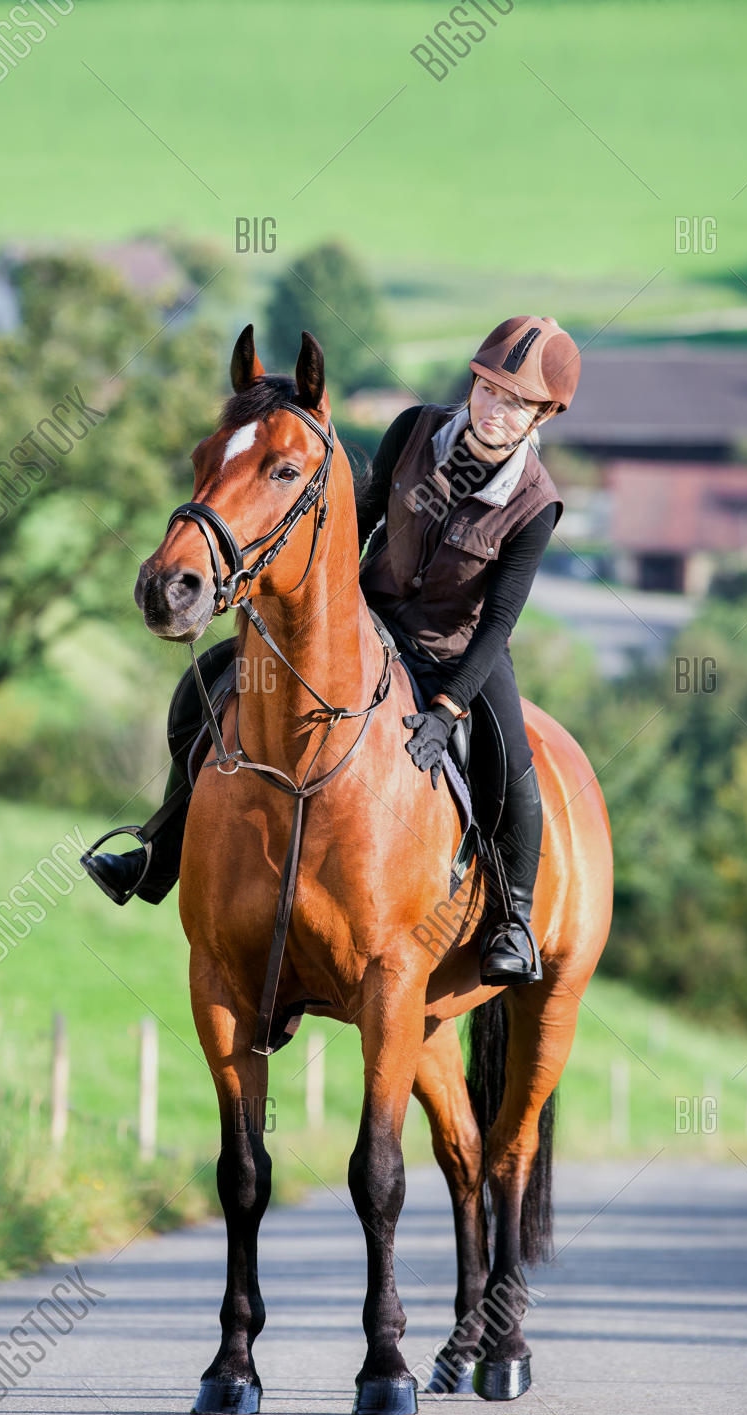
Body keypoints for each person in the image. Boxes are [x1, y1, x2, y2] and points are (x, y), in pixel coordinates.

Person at [82, 315, 581, 987]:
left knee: (513, 762)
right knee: (209, 681)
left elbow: (498, 625)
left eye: (516, 402)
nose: (495, 410)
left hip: (455, 652)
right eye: (489, 389)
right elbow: (361, 515)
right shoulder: (415, 430)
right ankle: (158, 852)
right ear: (474, 382)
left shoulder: (534, 504)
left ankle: (515, 921)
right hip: (365, 619)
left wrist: (447, 709)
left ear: (543, 413)